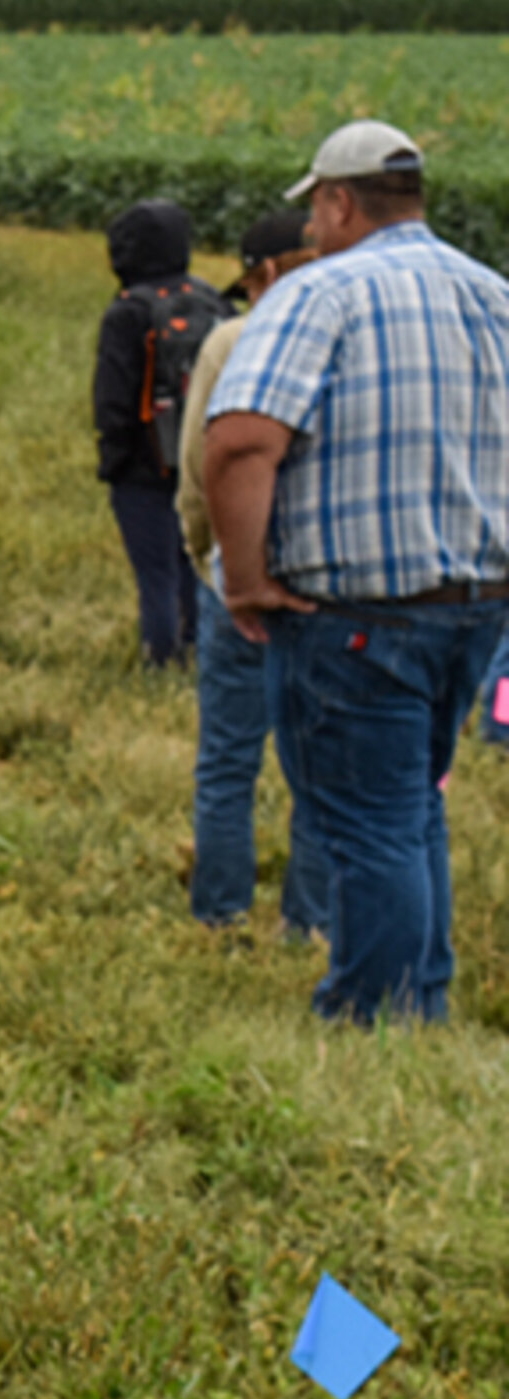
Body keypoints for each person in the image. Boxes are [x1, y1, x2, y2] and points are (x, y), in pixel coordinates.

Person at [205, 118, 509, 1024]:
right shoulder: (494, 294)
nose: (313, 230)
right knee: (413, 808)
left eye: (317, 211)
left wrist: (247, 580)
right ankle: (424, 1002)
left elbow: (240, 443)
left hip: (357, 613)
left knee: (369, 823)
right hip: (475, 608)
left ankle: (365, 1014)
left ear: (339, 202)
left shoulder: (318, 296)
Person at [174, 207, 330, 938]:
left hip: (234, 579)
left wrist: (209, 558)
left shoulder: (232, 340)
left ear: (264, 272)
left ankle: (220, 914)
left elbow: (199, 467)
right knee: (323, 769)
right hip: (327, 587)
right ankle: (310, 923)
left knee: (228, 763)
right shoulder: (354, 331)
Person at [94, 198, 223, 670]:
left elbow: (113, 398)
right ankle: (198, 650)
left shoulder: (128, 312)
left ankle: (160, 659)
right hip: (203, 458)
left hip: (141, 466)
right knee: (194, 561)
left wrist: (113, 458)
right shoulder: (212, 299)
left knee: (155, 573)